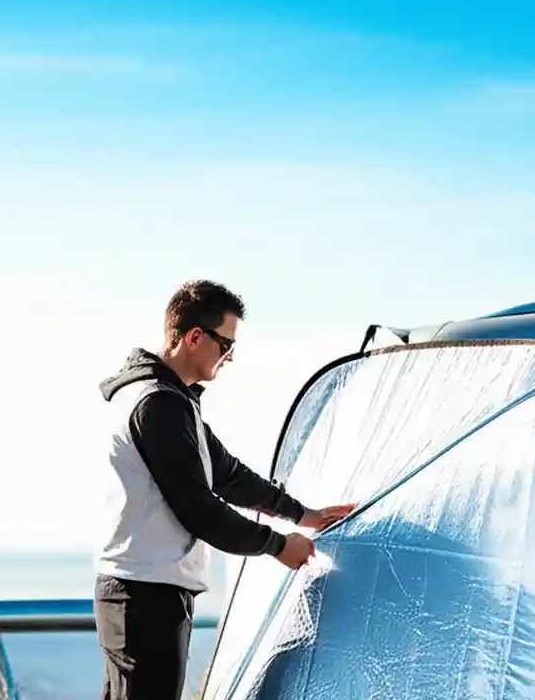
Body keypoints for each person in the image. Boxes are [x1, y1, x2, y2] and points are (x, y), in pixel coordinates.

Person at [93, 279, 355, 700]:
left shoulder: (173, 400)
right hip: (144, 598)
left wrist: (303, 514)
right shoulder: (157, 404)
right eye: (226, 344)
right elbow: (198, 508)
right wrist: (277, 545)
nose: (230, 357)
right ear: (195, 336)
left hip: (144, 594)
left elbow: (227, 473)